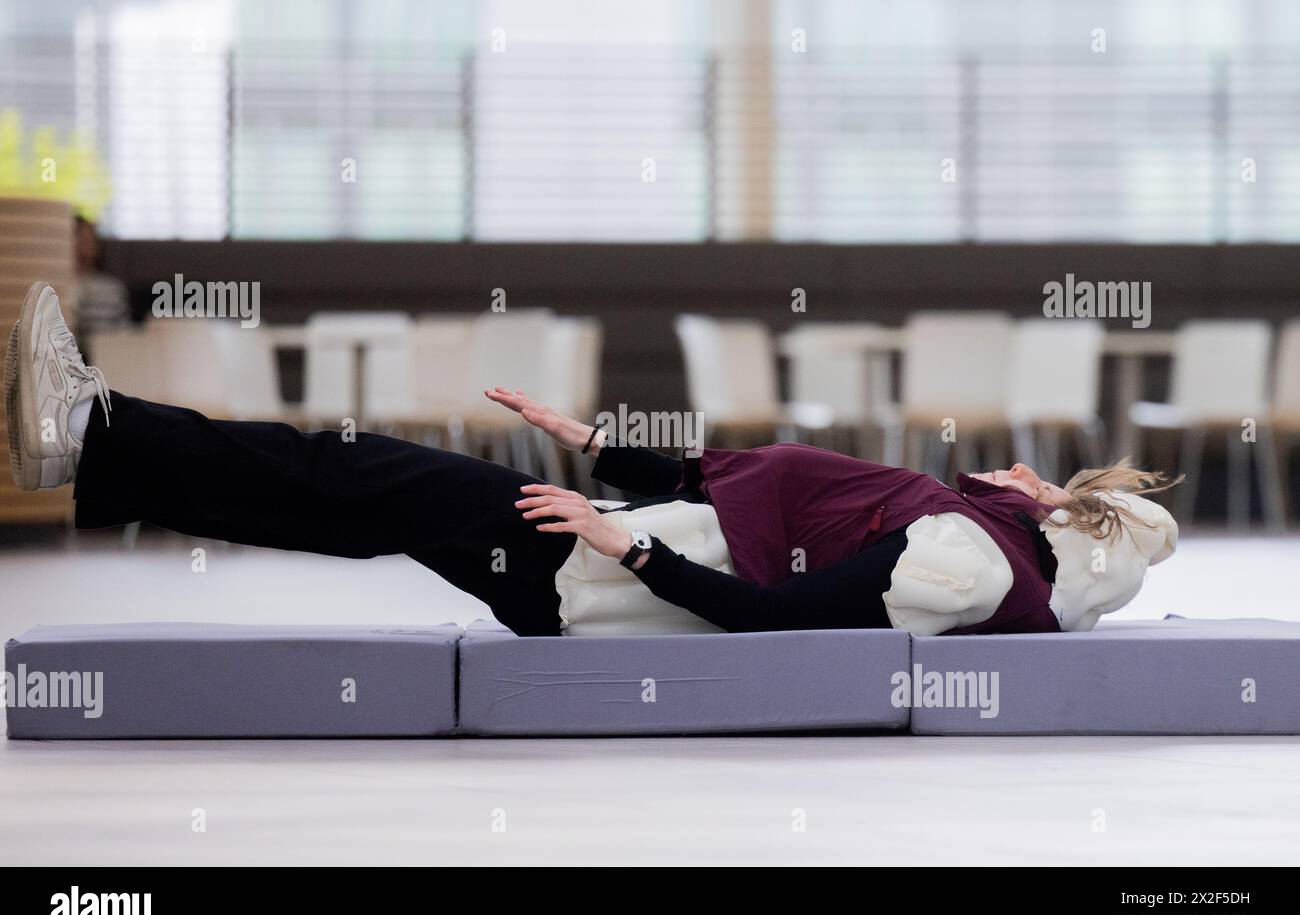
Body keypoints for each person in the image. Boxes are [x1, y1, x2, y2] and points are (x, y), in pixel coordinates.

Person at [5, 281, 1180, 637]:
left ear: (1059, 523)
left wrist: (614, 532)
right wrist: (598, 446)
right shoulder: (968, 541)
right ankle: (99, 461)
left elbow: (765, 616)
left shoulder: (964, 558)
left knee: (343, 473)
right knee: (346, 497)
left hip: (573, 562)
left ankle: (94, 434)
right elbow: (750, 490)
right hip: (583, 551)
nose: (1027, 474)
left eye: (1055, 487)